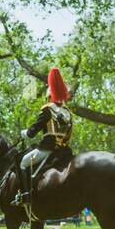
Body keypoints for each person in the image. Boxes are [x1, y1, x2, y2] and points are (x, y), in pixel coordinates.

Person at [15, 67, 74, 217]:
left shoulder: (48, 109)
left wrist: (24, 133)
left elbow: (33, 131)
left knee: (22, 163)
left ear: (49, 96)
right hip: (64, 151)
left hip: (48, 149)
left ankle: (25, 196)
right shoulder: (68, 113)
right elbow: (68, 135)